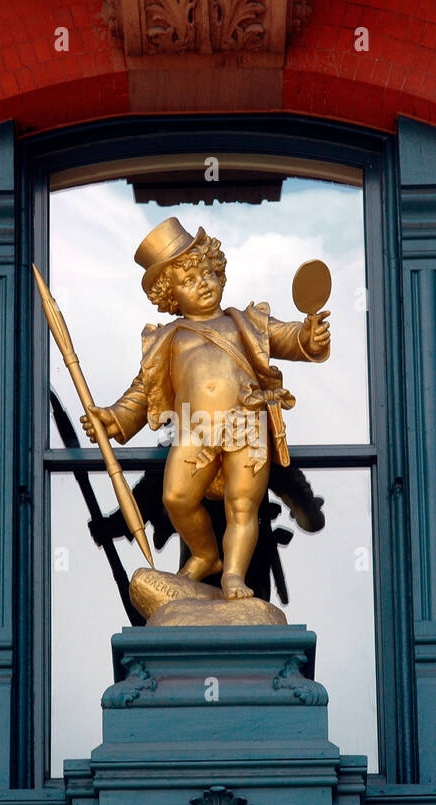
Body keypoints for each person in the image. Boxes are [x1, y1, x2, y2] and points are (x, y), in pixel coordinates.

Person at [81, 217, 330, 600]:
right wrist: (114, 417)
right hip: (196, 430)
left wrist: (308, 338)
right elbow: (142, 390)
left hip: (246, 425)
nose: (203, 284)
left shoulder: (246, 322)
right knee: (176, 497)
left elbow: (289, 337)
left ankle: (233, 574)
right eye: (189, 280)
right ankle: (206, 552)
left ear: (219, 271)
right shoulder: (168, 340)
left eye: (208, 272)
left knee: (243, 505)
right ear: (170, 295)